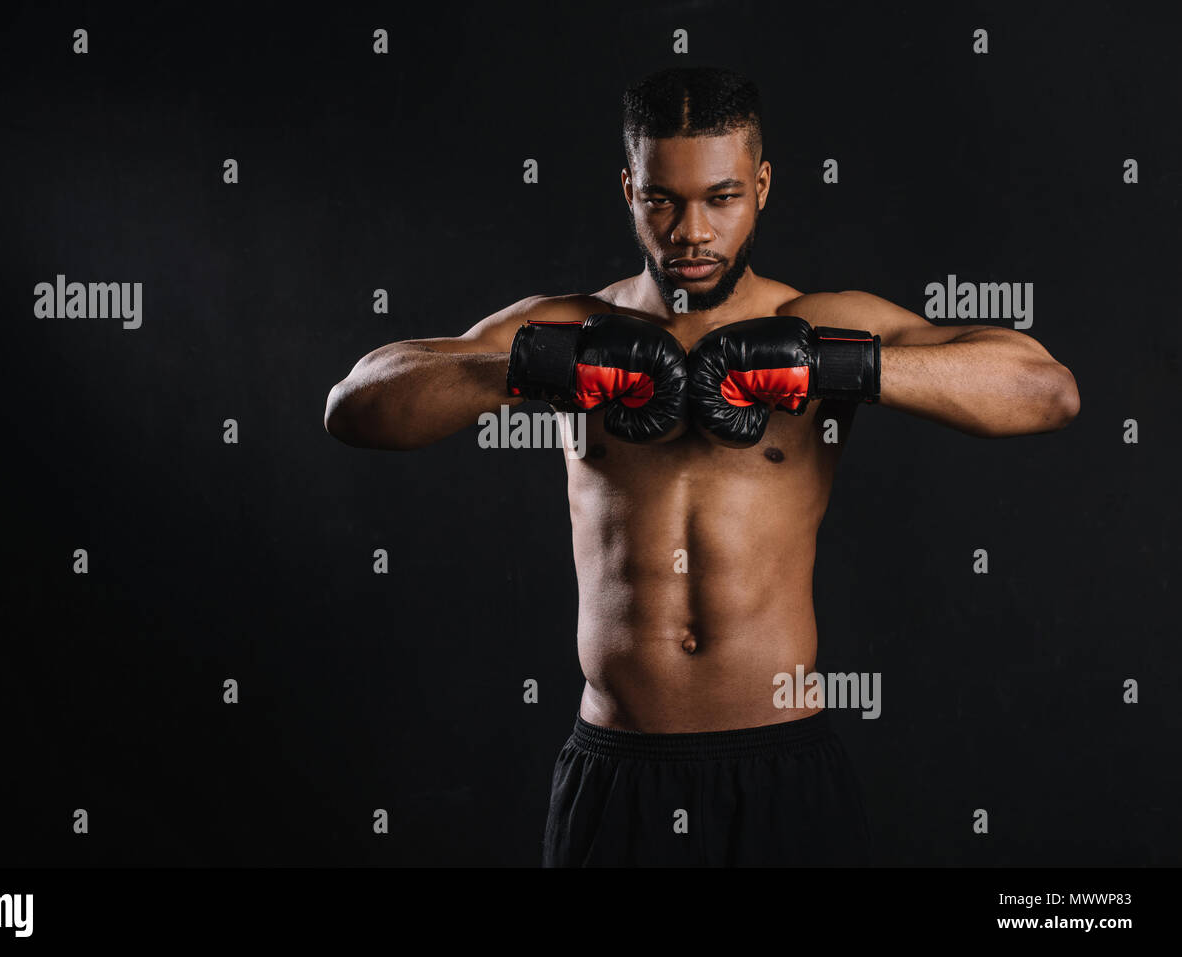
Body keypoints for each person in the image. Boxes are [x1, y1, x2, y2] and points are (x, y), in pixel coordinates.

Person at [324, 66, 1079, 866]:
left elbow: (1047, 389)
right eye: (662, 200)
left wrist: (835, 368)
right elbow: (354, 404)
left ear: (760, 185)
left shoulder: (820, 324)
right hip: (617, 770)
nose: (691, 232)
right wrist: (533, 363)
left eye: (721, 198)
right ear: (628, 189)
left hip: (783, 765)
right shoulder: (570, 327)